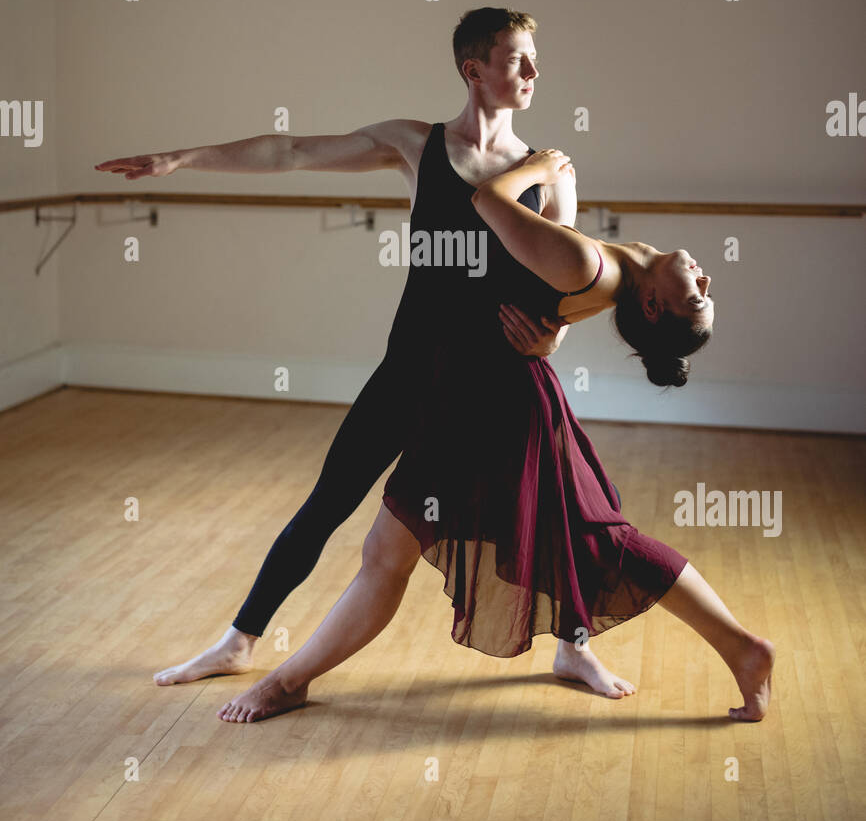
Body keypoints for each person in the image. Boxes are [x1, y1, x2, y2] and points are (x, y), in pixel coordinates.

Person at [95, 9, 630, 701]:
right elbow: (291, 152)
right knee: (328, 502)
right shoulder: (415, 144)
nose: (533, 72)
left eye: (534, 59)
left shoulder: (548, 171)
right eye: (517, 59)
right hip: (412, 371)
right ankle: (238, 641)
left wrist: (557, 338)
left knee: (552, 510)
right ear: (474, 70)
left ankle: (574, 649)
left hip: (501, 378)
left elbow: (574, 279)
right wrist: (182, 158)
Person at [214, 136, 772, 727]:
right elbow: (543, 277)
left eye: (698, 298)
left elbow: (488, 202)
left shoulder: (596, 267)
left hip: (483, 404)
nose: (705, 281)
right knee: (583, 540)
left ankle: (286, 682)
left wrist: (537, 170)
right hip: (494, 394)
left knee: (392, 554)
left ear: (655, 307)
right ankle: (716, 648)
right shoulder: (614, 269)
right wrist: (561, 191)